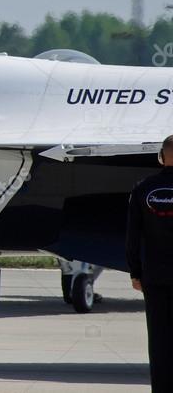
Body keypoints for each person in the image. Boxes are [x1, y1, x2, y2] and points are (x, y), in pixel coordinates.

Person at [127, 134, 173, 393]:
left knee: (158, 338)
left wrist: (135, 271)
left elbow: (132, 235)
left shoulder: (143, 188)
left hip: (154, 276)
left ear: (161, 157)